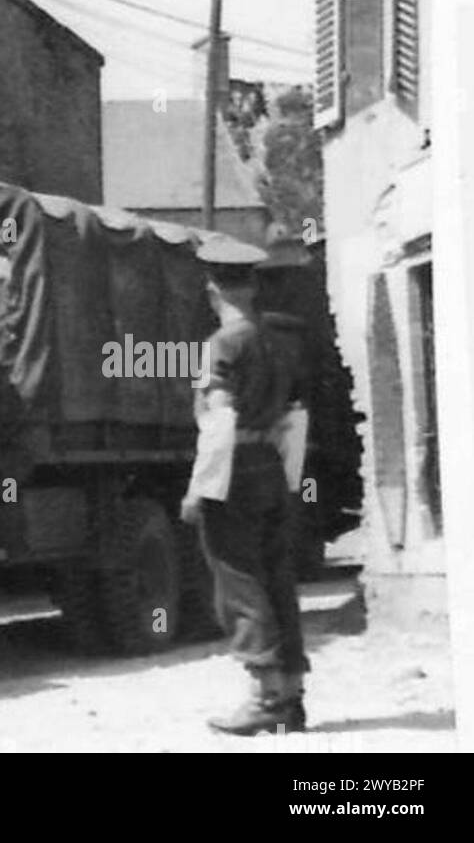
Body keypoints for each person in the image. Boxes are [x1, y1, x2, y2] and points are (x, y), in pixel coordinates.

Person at [181, 234, 312, 735]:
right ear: (253, 285)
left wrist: (200, 488)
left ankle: (264, 695)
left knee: (238, 581)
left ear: (212, 288)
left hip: (233, 469)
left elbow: (220, 417)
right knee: (277, 577)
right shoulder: (277, 338)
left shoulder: (223, 344)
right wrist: (292, 480)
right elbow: (296, 415)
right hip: (272, 468)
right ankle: (293, 694)